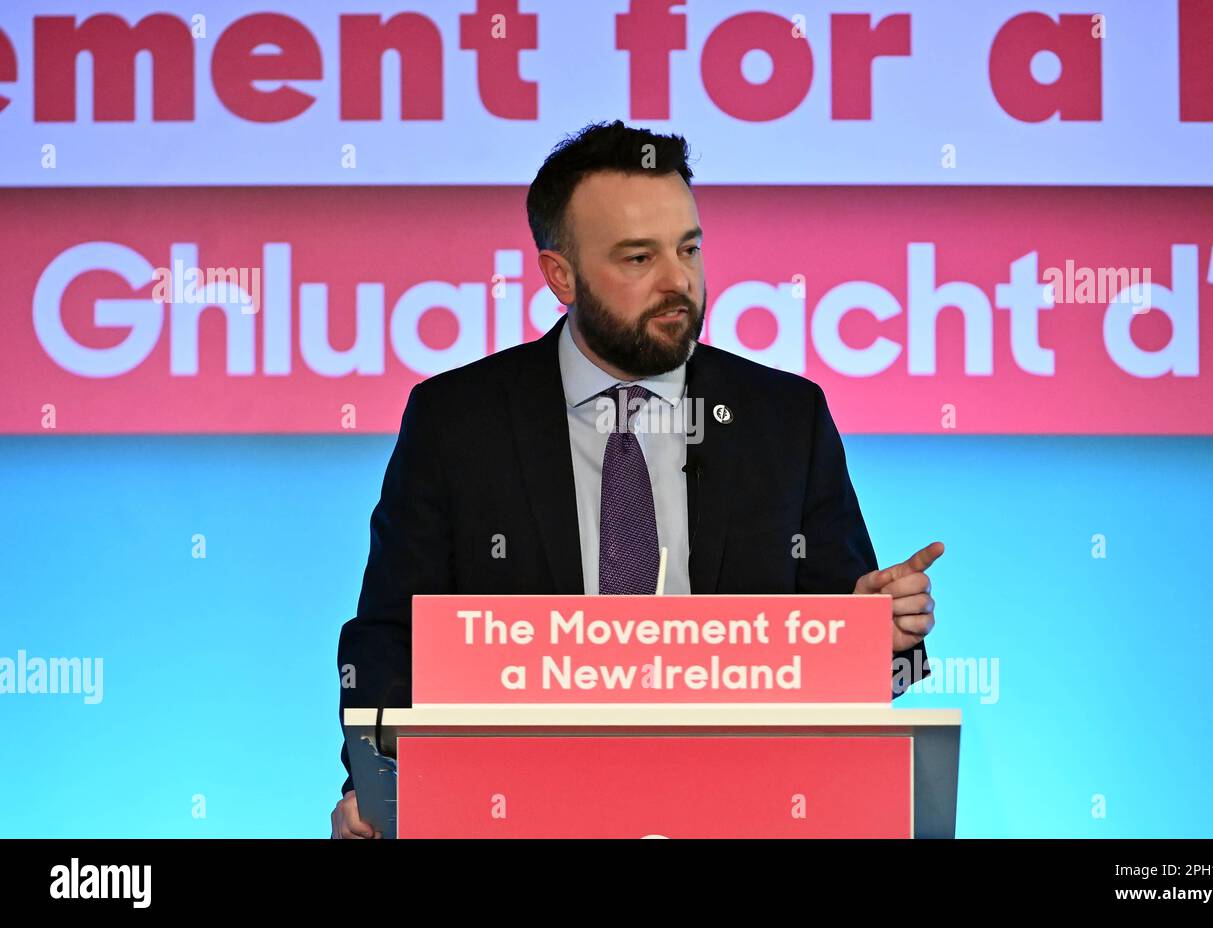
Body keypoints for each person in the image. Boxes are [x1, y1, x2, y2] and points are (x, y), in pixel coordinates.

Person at [331, 120, 943, 838]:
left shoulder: (784, 420)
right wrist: (380, 789)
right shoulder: (457, 421)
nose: (677, 281)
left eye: (689, 249)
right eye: (637, 258)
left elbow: (857, 678)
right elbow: (388, 643)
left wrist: (883, 642)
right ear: (562, 276)